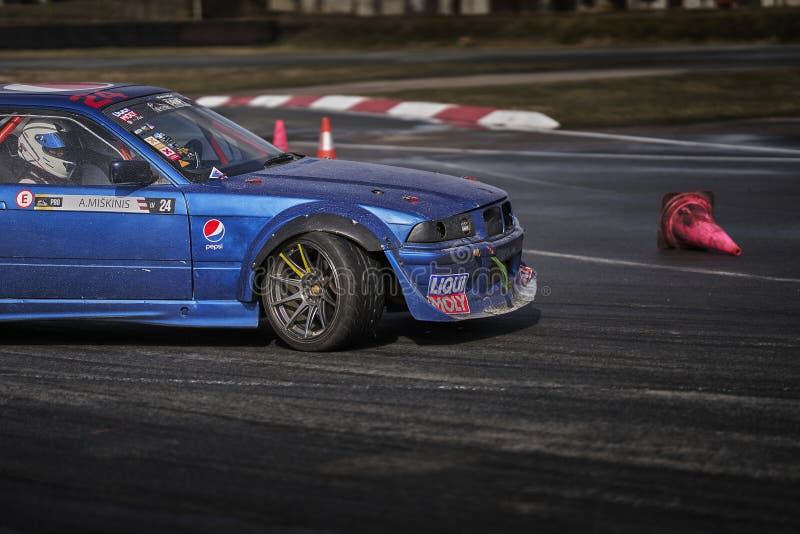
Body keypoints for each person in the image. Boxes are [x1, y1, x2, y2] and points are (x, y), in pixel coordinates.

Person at [17, 119, 109, 185]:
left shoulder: (62, 176)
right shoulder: (29, 185)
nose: (63, 153)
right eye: (56, 149)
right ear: (34, 145)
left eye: (65, 148)